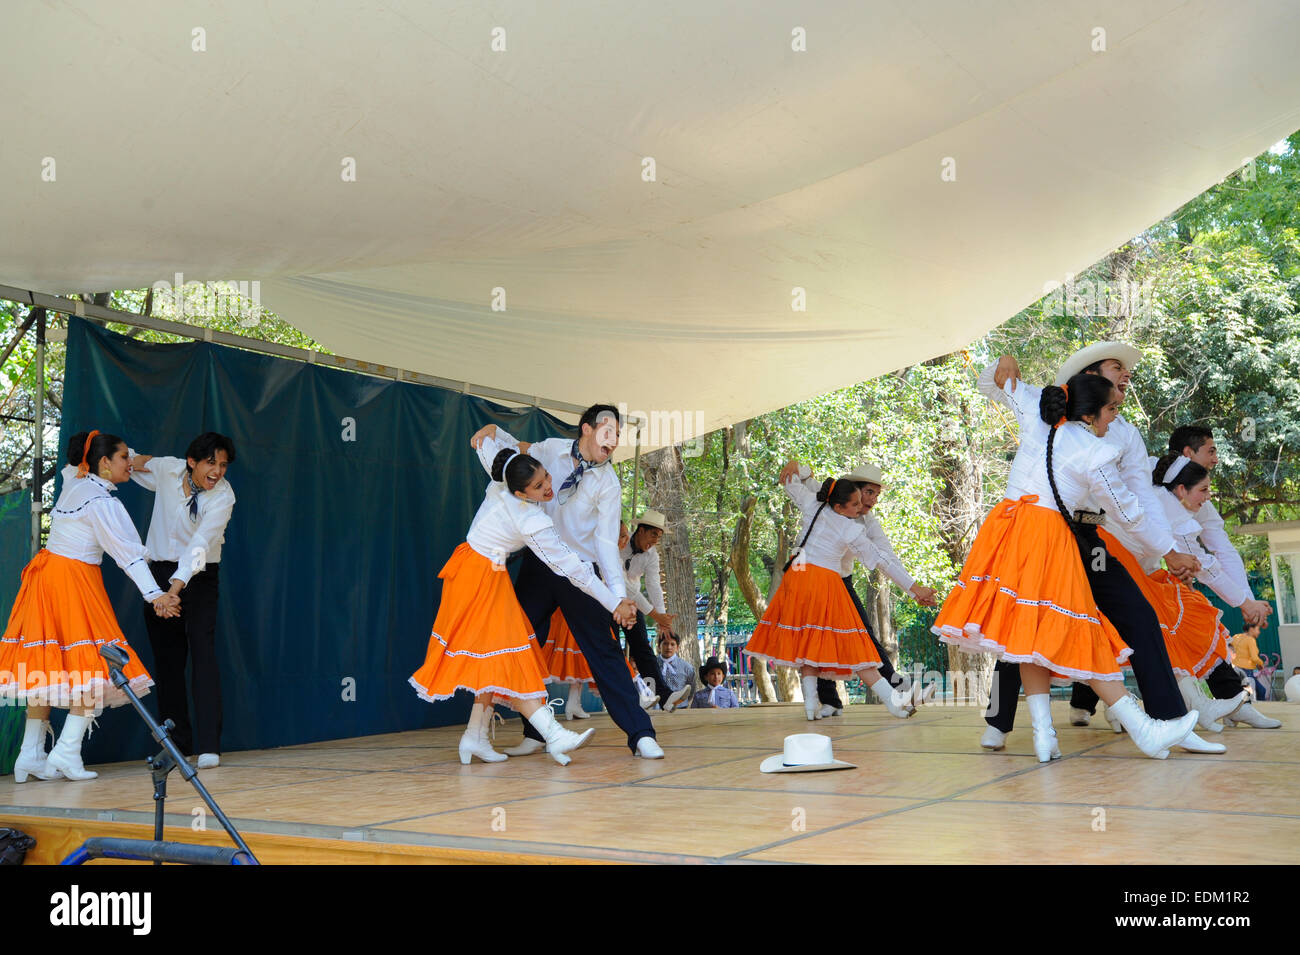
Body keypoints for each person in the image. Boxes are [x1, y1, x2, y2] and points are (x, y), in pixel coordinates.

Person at [933, 374, 1201, 761]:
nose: (1113, 419)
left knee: (1027, 638)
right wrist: (1169, 550)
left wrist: (1000, 363)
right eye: (1111, 410)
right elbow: (1128, 513)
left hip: (1006, 531)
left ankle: (1045, 736)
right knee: (1078, 631)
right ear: (1091, 414)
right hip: (1049, 540)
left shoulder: (1036, 415)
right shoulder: (1095, 453)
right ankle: (1143, 729)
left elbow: (991, 382)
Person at [408, 435, 616, 765]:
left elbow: (486, 446)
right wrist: (614, 602)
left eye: (546, 476)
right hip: (474, 579)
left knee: (497, 657)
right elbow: (575, 569)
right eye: (537, 486)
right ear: (520, 493)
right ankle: (554, 734)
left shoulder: (501, 476)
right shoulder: (530, 520)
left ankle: (474, 736)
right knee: (507, 655)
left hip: (486, 575)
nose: (547, 487)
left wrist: (488, 429)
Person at [470, 405, 661, 758]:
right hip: (539, 565)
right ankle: (529, 732)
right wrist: (495, 430)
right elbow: (516, 452)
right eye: (607, 430)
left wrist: (618, 598)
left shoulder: (609, 483)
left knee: (603, 650)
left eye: (618, 434)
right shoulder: (550, 450)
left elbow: (606, 546)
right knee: (518, 640)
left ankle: (640, 733)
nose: (614, 439)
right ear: (586, 429)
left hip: (581, 570)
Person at [3, 431, 176, 782]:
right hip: (73, 583)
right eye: (125, 457)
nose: (131, 463)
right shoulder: (102, 503)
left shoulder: (73, 478)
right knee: (95, 662)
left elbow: (79, 457)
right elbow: (128, 556)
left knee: (48, 664)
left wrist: (123, 453)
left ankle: (30, 755)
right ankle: (65, 752)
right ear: (103, 463)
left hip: (46, 578)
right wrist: (155, 595)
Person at [780, 460, 938, 717]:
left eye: (876, 494)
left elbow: (885, 556)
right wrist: (799, 466)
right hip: (816, 580)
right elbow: (804, 482)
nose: (873, 500)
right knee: (834, 637)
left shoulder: (864, 522)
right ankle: (874, 696)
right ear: (851, 493)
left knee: (848, 636)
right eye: (869, 492)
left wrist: (913, 588)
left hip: (835, 581)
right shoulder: (830, 498)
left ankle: (841, 698)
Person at [744, 472, 902, 721]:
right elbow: (882, 559)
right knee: (855, 644)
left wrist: (798, 468)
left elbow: (791, 483)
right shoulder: (849, 527)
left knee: (808, 644)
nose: (862, 507)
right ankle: (893, 701)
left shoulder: (814, 504)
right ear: (842, 503)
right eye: (858, 502)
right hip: (827, 583)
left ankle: (811, 708)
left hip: (797, 580)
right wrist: (913, 588)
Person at [130, 433, 236, 769]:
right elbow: (136, 463)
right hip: (159, 572)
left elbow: (199, 546)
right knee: (167, 659)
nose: (217, 471)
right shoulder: (169, 469)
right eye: (211, 463)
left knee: (202, 653)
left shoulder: (223, 497)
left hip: (199, 576)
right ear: (192, 461)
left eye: (223, 465)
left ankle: (209, 746)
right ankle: (177, 744)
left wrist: (172, 593)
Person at [1166, 425, 1281, 728]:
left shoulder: (1192, 492)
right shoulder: (1170, 497)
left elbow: (1223, 550)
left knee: (1201, 623)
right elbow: (1200, 561)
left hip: (1154, 574)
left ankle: (1230, 702)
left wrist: (1250, 603)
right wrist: (1245, 604)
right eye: (1211, 451)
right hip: (1118, 567)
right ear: (1188, 454)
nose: (1217, 459)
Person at [619, 512, 690, 711]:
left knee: (642, 647)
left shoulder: (652, 555)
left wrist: (662, 617)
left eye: (659, 537)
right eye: (653, 535)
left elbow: (653, 585)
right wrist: (654, 614)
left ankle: (665, 697)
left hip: (632, 604)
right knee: (612, 649)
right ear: (641, 531)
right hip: (608, 602)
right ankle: (634, 696)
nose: (655, 541)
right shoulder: (618, 543)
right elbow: (627, 586)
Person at [1230, 622, 1269, 701]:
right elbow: (1254, 658)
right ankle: (1259, 709)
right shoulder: (1250, 639)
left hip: (1234, 668)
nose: (1259, 632)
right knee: (1258, 692)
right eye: (1257, 629)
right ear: (1251, 629)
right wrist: (1261, 663)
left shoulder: (1235, 637)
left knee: (1245, 692)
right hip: (1246, 670)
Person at [655, 632, 695, 706]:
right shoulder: (652, 665)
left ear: (677, 647)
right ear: (659, 646)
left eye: (672, 644)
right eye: (665, 644)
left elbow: (691, 690)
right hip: (658, 709)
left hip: (680, 708)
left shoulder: (686, 667)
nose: (669, 647)